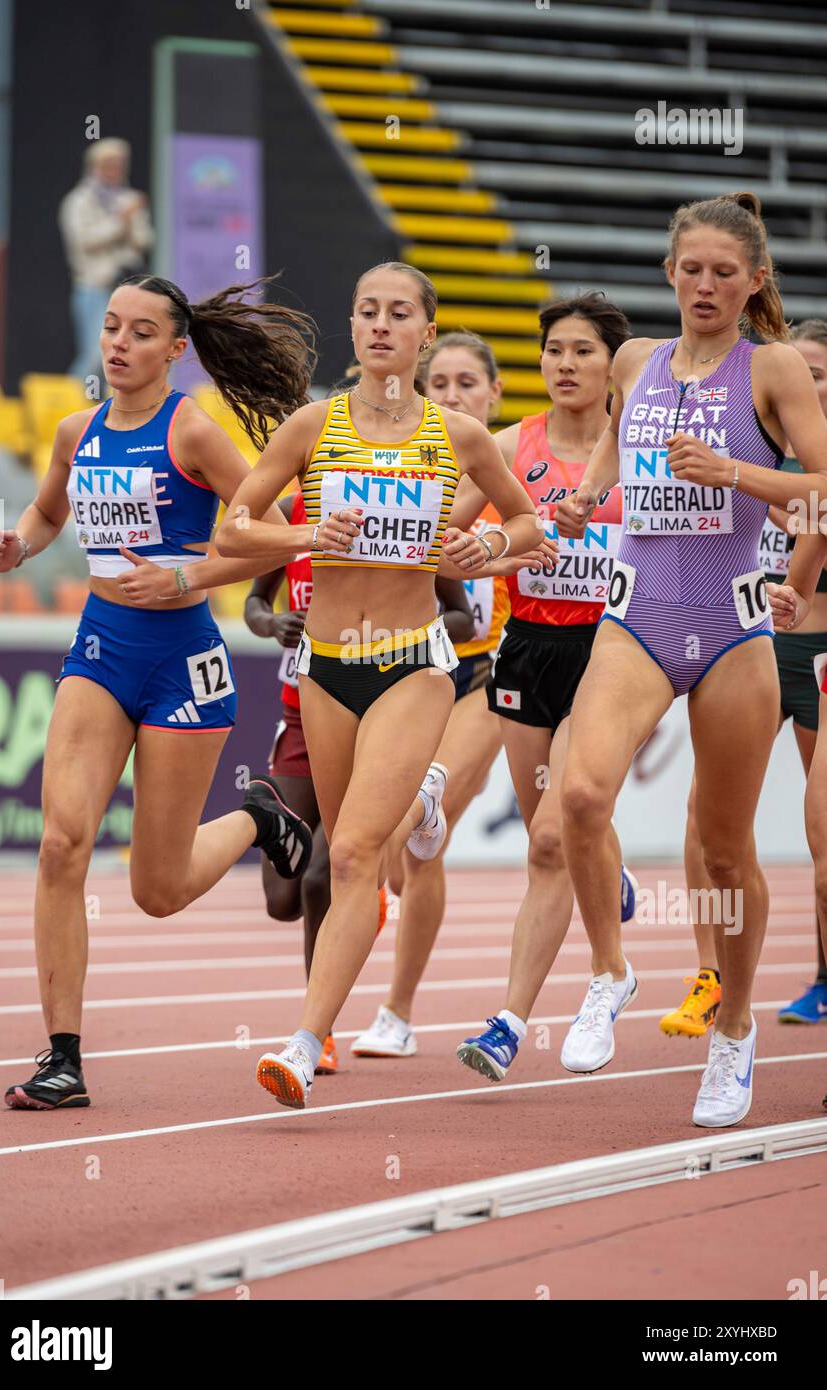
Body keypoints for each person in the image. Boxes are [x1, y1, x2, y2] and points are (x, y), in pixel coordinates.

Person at [216, 260, 556, 1108]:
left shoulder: (459, 436)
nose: (379, 325)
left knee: (362, 848)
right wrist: (302, 540)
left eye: (398, 313)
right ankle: (321, 1025)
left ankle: (301, 1043)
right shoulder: (311, 426)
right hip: (326, 672)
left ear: (424, 332)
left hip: (412, 664)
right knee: (336, 861)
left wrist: (484, 548)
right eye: (366, 310)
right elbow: (237, 523)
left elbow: (525, 523)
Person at [0, 273, 319, 1109]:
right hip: (101, 650)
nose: (119, 344)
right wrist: (17, 545)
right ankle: (63, 1058)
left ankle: (261, 815)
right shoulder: (74, 430)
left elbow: (265, 539)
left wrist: (190, 575)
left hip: (184, 661)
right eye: (111, 328)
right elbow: (49, 516)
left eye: (140, 332)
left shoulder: (194, 433)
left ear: (175, 349)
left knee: (156, 892)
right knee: (62, 844)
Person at [555, 192, 827, 1129]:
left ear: (754, 281)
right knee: (580, 795)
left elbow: (824, 489)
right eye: (691, 268)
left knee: (722, 849)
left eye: (725, 271)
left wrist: (737, 473)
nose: (706, 284)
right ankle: (609, 972)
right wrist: (586, 499)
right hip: (640, 614)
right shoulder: (635, 361)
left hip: (735, 625)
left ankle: (736, 1030)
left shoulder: (776, 366)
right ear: (670, 271)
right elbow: (613, 462)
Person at [441, 298, 638, 1081]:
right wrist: (492, 551)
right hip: (528, 647)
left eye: (582, 351)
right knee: (548, 838)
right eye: (553, 349)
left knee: (557, 837)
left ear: (613, 366)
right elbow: (454, 551)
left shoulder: (642, 451)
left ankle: (517, 1019)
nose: (563, 364)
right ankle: (609, 875)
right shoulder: (507, 445)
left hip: (617, 651)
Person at [245, 484, 475, 1072]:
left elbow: (464, 617)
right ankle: (418, 806)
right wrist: (274, 623)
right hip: (303, 711)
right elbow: (252, 601)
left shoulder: (406, 509)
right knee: (282, 898)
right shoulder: (294, 515)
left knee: (333, 868)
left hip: (380, 702)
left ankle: (313, 1030)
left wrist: (402, 641)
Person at [665, 319, 827, 1039]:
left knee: (823, 846)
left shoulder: (808, 467)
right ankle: (712, 976)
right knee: (708, 823)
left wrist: (793, 579)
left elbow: (816, 517)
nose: (807, 384)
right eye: (802, 371)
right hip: (750, 644)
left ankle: (823, 977)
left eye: (819, 375)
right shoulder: (730, 439)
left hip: (816, 649)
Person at [351, 330, 510, 1057]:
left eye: (465, 385)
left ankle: (397, 1010)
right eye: (438, 383)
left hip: (490, 670)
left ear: (493, 395)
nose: (449, 396)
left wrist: (500, 546)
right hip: (411, 665)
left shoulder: (506, 464)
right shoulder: (399, 463)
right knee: (393, 842)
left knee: (422, 833)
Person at [59, 138, 154, 384]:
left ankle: (110, 417)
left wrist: (131, 220)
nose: (116, 169)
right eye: (109, 163)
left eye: (120, 163)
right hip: (93, 287)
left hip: (127, 289)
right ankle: (66, 409)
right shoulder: (79, 201)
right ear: (94, 166)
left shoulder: (129, 198)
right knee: (95, 354)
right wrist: (121, 220)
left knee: (126, 356)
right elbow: (85, 241)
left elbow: (144, 241)